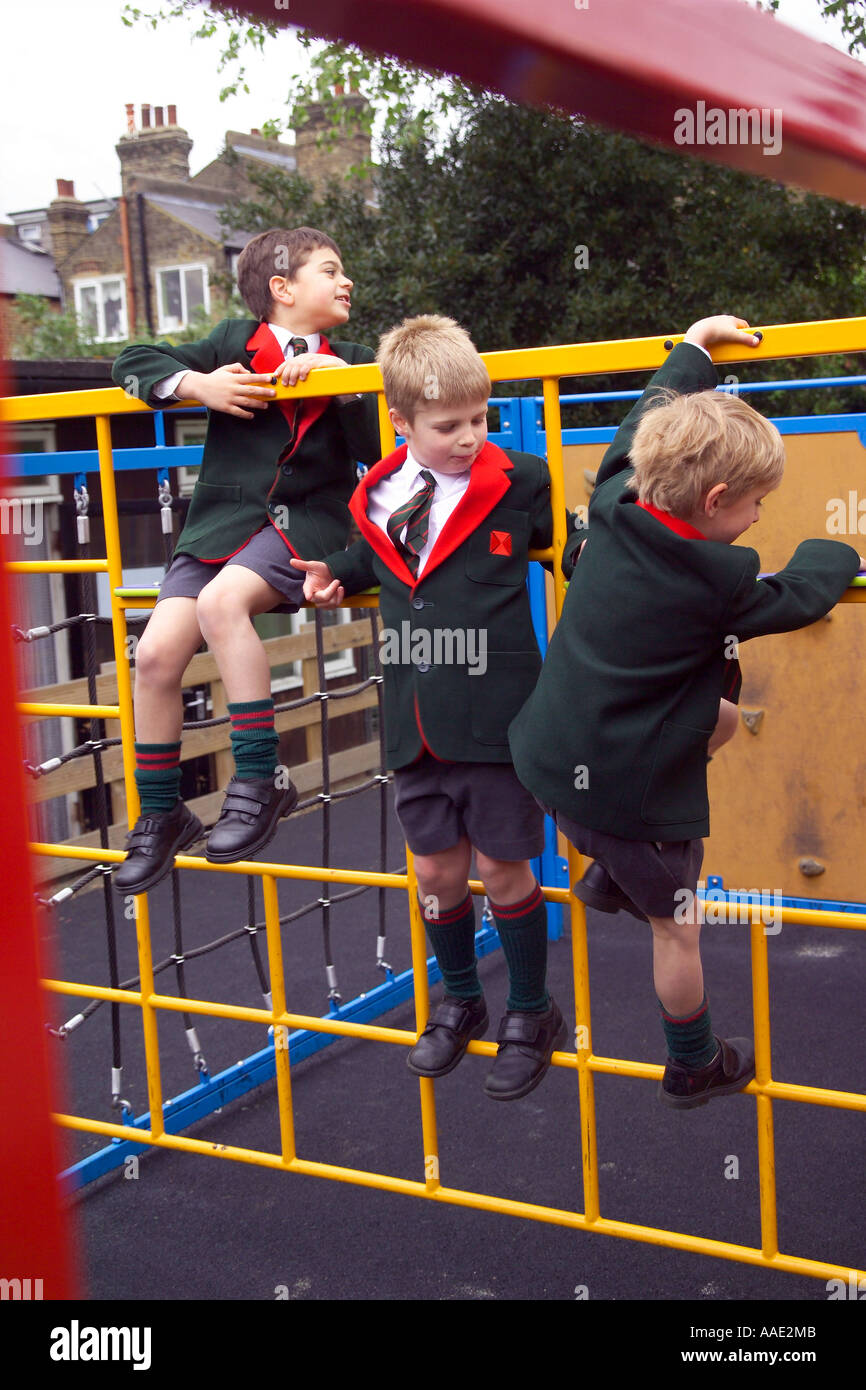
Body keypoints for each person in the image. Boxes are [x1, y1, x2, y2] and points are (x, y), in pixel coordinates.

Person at [508, 314, 864, 1108]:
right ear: (713, 499)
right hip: (624, 790)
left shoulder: (612, 498)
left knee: (723, 720)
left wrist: (695, 349)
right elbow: (801, 595)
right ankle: (693, 1061)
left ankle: (610, 877)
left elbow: (648, 413)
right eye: (757, 505)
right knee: (679, 924)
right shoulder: (716, 582)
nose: (761, 518)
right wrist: (839, 551)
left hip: (547, 753)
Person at [293, 314, 576, 1101]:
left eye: (478, 419)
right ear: (400, 422)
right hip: (415, 711)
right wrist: (335, 577)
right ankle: (462, 1000)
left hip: (494, 714)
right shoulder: (377, 493)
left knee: (503, 866)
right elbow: (375, 560)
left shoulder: (521, 479)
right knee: (433, 871)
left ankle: (531, 1010)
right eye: (448, 425)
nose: (468, 437)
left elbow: (567, 545)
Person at [110, 227, 380, 893]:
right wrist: (196, 385)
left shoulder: (354, 357)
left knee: (221, 604)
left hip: (307, 523)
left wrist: (345, 381)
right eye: (331, 269)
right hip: (220, 525)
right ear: (282, 288)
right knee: (153, 655)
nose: (347, 282)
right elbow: (131, 361)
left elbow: (385, 445)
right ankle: (162, 811)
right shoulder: (234, 344)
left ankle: (262, 777)